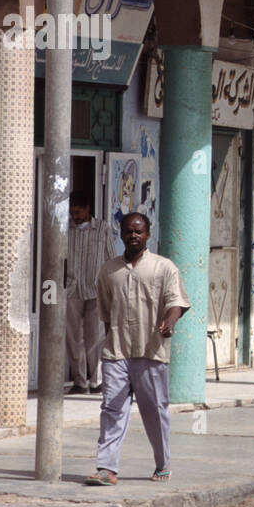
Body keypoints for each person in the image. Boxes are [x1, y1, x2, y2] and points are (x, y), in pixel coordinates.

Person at [86, 212, 190, 486]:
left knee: (154, 411)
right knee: (112, 409)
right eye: (128, 231)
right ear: (121, 234)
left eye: (138, 231)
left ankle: (162, 464)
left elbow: (176, 302)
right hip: (116, 353)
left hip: (150, 352)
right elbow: (106, 313)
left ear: (147, 234)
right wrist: (111, 342)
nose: (133, 235)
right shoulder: (108, 270)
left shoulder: (164, 268)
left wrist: (170, 321)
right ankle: (106, 468)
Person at [65, 192, 113, 395]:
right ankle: (79, 381)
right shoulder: (65, 228)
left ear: (87, 209)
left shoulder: (102, 228)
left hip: (96, 289)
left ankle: (96, 381)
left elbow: (110, 258)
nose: (75, 216)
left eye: (78, 212)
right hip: (72, 288)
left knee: (96, 337)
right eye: (72, 213)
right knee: (73, 337)